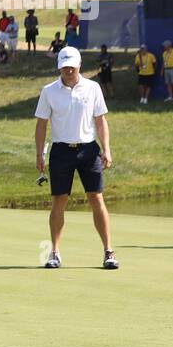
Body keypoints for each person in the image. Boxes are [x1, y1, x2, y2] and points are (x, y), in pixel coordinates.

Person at [34, 46, 118, 270]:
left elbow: (101, 121)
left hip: (89, 150)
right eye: (64, 67)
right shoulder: (49, 91)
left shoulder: (92, 88)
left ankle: (109, 252)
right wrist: (39, 154)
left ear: (79, 65)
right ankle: (54, 252)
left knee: (96, 198)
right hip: (61, 151)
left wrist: (106, 149)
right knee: (59, 201)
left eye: (71, 67)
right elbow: (41, 125)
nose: (68, 71)